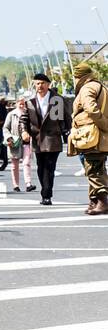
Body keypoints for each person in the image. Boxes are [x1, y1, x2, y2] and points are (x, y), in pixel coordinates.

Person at [21, 72, 69, 206]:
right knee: (40, 168)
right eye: (37, 83)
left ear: (48, 85)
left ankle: (46, 195)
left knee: (49, 167)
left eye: (42, 83)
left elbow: (65, 118)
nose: (40, 86)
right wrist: (24, 131)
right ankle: (45, 190)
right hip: (37, 139)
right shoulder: (30, 102)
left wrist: (68, 134)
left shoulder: (57, 100)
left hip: (53, 138)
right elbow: (23, 119)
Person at [69, 61, 108, 215]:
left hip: (91, 135)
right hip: (98, 135)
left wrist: (104, 125)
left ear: (79, 76)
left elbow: (91, 108)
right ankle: (94, 201)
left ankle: (103, 201)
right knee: (96, 166)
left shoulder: (87, 88)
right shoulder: (101, 86)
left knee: (93, 169)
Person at [4, 97, 35, 192]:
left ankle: (28, 183)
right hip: (15, 142)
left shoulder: (29, 114)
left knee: (26, 163)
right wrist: (9, 137)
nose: (22, 106)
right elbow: (5, 128)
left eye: (23, 104)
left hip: (26, 142)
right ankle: (16, 185)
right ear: (16, 104)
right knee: (14, 165)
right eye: (20, 104)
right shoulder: (11, 114)